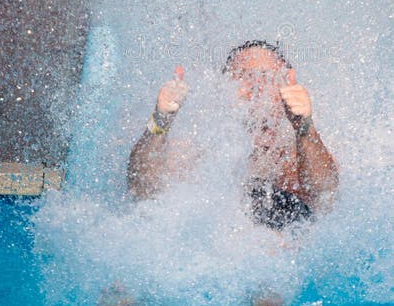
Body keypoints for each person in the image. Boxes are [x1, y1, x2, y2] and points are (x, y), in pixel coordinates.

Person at [127, 41, 339, 229]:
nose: (257, 87)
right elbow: (142, 190)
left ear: (290, 85)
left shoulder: (300, 157)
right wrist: (160, 123)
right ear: (224, 91)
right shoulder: (200, 154)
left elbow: (325, 195)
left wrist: (304, 128)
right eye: (244, 78)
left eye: (267, 78)